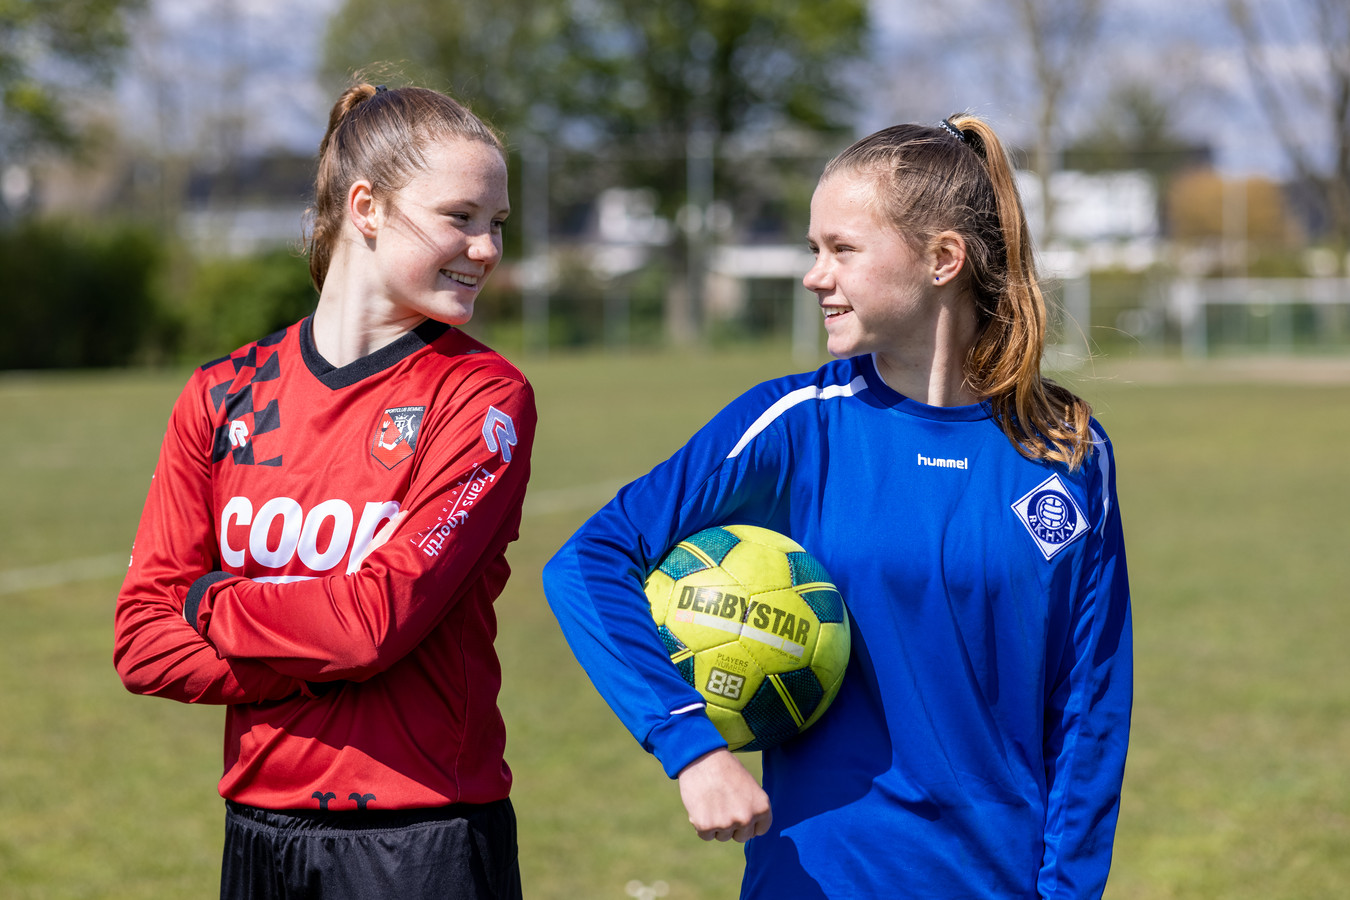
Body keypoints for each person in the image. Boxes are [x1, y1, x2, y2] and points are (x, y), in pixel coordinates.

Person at [543, 114, 1132, 898]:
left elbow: (1088, 705)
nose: (814, 276)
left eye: (842, 250)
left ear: (942, 259)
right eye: (813, 249)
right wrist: (690, 743)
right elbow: (589, 561)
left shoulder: (1068, 453)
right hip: (816, 879)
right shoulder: (797, 423)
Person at [113, 81, 533, 899]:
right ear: (367, 207)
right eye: (461, 217)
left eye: (497, 225)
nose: (486, 249)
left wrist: (208, 602)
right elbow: (138, 639)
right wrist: (315, 662)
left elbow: (371, 624)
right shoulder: (222, 393)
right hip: (258, 828)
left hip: (423, 835)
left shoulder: (481, 398)